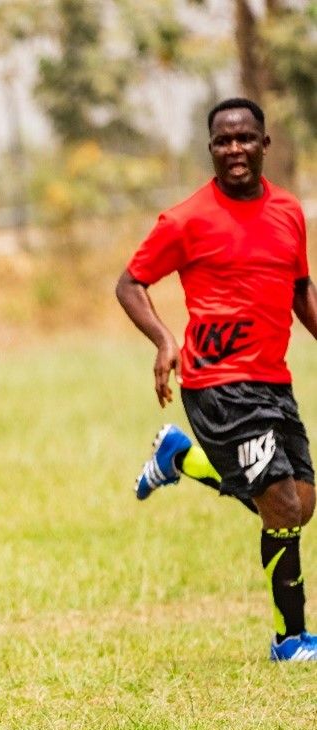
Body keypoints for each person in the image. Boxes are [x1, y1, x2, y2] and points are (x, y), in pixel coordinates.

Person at [119, 97, 317, 662]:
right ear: (211, 149)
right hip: (218, 384)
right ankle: (290, 640)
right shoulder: (185, 219)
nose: (234, 149)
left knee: (302, 504)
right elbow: (130, 283)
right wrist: (163, 339)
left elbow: (301, 287)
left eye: (245, 138)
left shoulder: (288, 211)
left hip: (273, 380)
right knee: (279, 504)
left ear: (264, 144)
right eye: (223, 141)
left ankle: (180, 458)